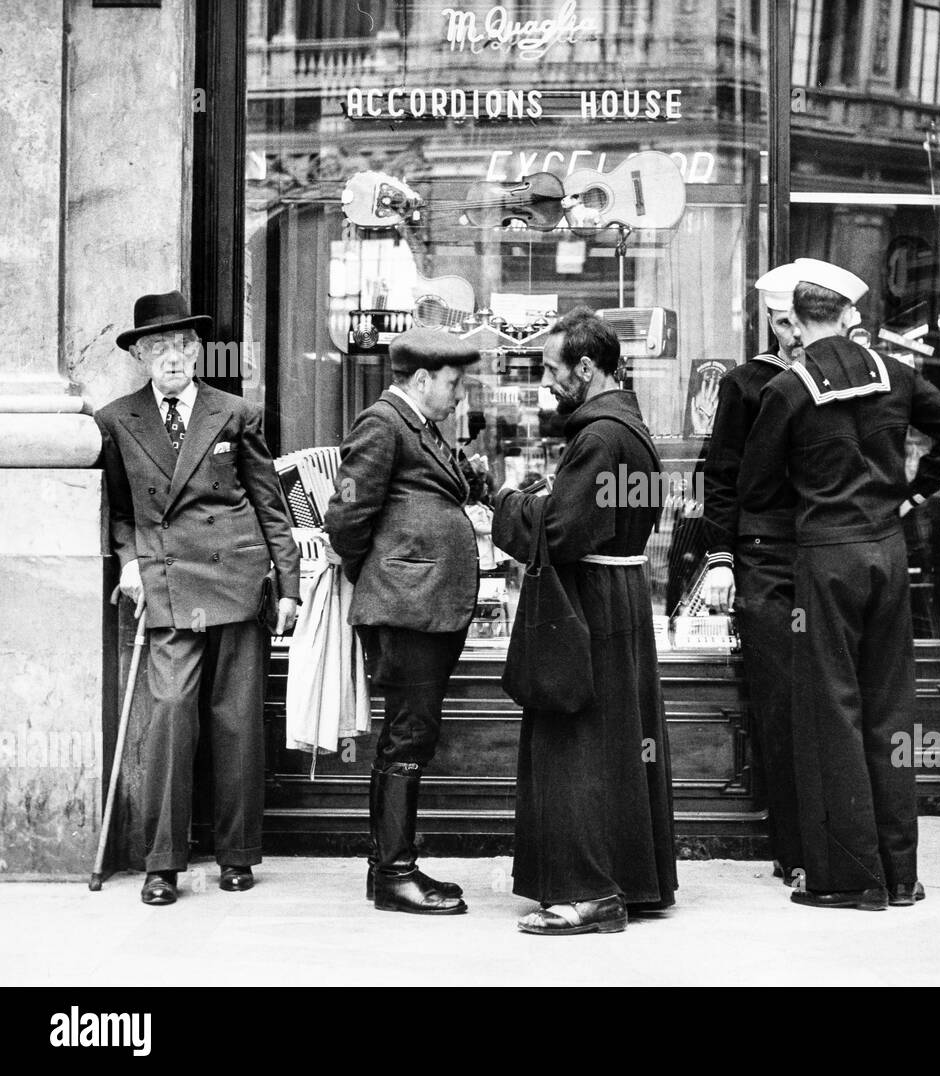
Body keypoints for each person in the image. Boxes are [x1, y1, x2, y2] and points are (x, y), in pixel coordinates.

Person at [737, 259, 940, 911]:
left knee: (832, 714)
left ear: (797, 319)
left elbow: (757, 487)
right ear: (843, 314)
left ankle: (849, 877)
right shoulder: (896, 375)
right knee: (888, 711)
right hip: (887, 552)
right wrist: (913, 493)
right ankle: (901, 874)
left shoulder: (786, 391)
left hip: (825, 557)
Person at [96, 291, 301, 905]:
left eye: (181, 345)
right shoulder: (115, 420)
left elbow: (270, 503)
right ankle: (164, 863)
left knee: (237, 723)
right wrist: (129, 561)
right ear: (140, 357)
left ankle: (238, 856)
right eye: (156, 347)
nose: (171, 357)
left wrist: (288, 585)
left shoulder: (236, 413)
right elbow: (120, 510)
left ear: (197, 350)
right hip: (165, 579)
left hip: (237, 579)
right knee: (169, 717)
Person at [492, 306, 677, 935]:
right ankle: (628, 879)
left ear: (588, 367)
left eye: (552, 369)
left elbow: (563, 533)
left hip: (590, 600)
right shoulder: (626, 426)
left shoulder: (597, 436)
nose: (546, 382)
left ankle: (589, 894)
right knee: (621, 742)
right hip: (619, 592)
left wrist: (509, 502)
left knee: (578, 746)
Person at [324, 328, 480, 916]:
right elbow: (347, 516)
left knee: (411, 733)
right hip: (408, 608)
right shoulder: (383, 422)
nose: (458, 393)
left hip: (424, 607)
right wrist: (386, 572)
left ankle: (387, 868)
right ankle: (395, 873)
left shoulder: (417, 425)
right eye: (452, 382)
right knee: (409, 735)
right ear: (420, 380)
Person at [700, 263, 805, 885]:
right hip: (765, 559)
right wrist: (720, 556)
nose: (793, 334)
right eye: (783, 321)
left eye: (800, 320)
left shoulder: (831, 378)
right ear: (768, 321)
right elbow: (721, 474)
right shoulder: (746, 384)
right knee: (783, 707)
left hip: (826, 559)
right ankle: (791, 848)